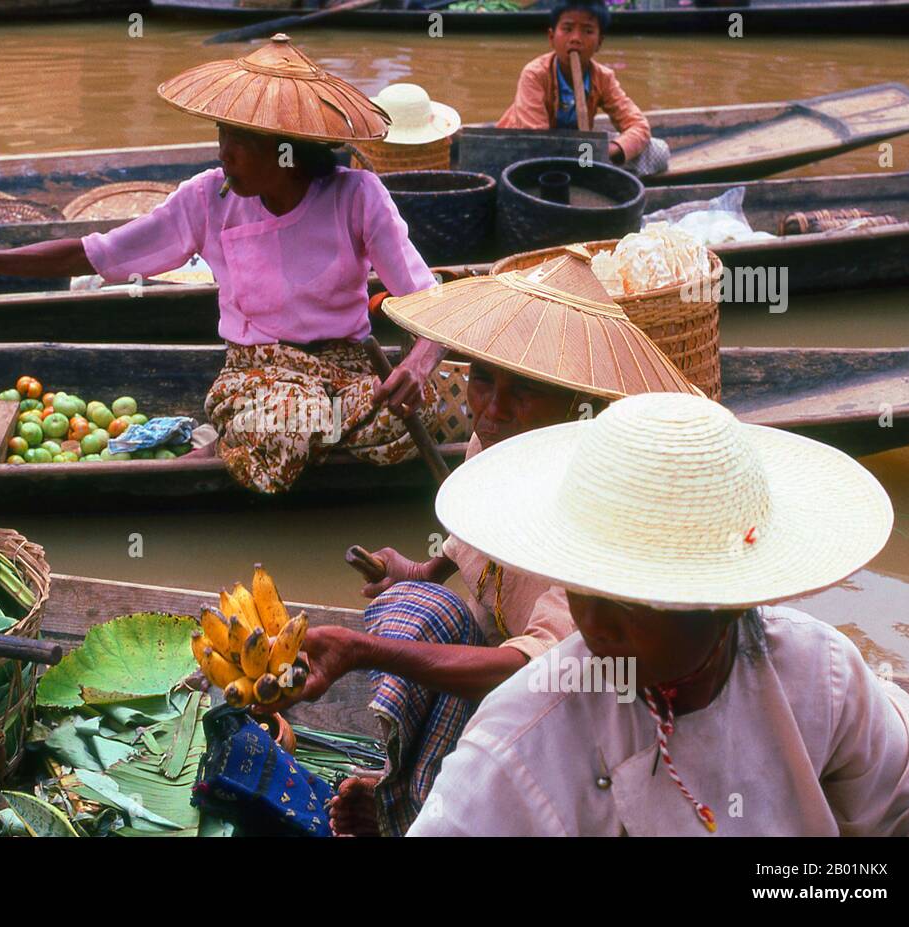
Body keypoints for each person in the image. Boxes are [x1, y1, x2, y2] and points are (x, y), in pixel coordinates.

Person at [0, 35, 444, 495]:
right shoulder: (208, 198)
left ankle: (252, 443)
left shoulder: (357, 196)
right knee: (287, 419)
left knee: (415, 419)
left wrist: (418, 363)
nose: (223, 152)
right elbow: (98, 253)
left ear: (286, 147)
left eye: (239, 140)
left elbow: (428, 302)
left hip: (344, 371)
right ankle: (254, 436)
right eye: (221, 135)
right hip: (259, 375)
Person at [269, 245, 698, 836]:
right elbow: (467, 549)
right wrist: (419, 571)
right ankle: (406, 793)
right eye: (483, 379)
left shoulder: (599, 506)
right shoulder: (495, 444)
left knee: (444, 650)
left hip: (579, 706)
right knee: (419, 608)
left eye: (523, 390)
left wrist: (362, 652)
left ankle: (429, 810)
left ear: (578, 405)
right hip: (505, 661)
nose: (491, 409)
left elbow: (532, 671)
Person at [408, 390, 909, 836]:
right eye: (584, 585)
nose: (595, 621)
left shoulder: (819, 674)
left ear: (730, 605)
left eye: (640, 601)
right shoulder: (516, 746)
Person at [495, 0, 669, 177]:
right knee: (522, 166)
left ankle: (582, 171)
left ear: (599, 42)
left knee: (659, 150)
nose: (576, 39)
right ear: (551, 37)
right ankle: (578, 173)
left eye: (587, 31)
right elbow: (536, 139)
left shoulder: (603, 77)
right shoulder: (535, 74)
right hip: (530, 149)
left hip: (579, 149)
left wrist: (607, 151)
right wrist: (579, 156)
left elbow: (638, 125)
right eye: (568, 29)